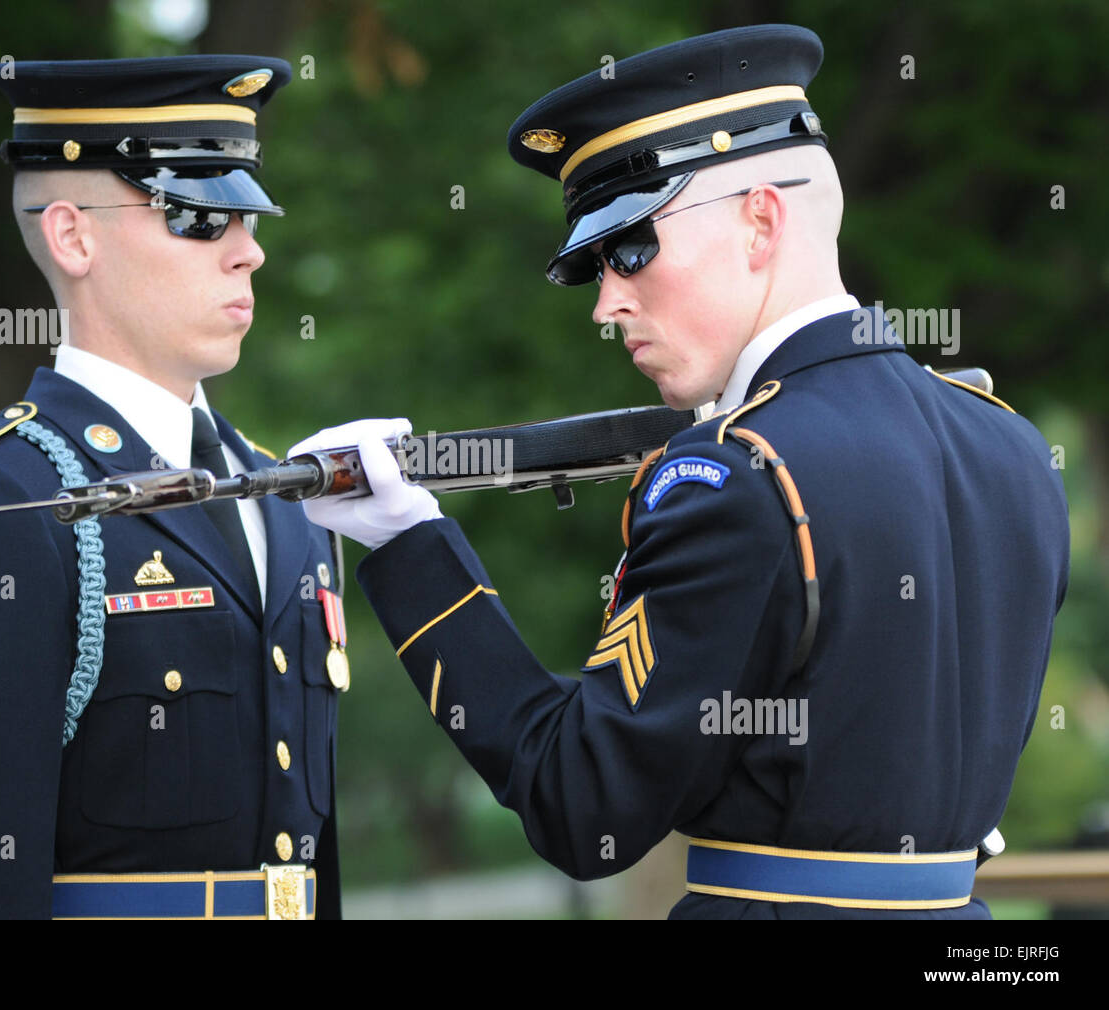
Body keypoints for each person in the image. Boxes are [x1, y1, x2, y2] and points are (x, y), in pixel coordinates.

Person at [289, 25, 1070, 919]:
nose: (608, 303)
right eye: (595, 266)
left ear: (761, 221)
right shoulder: (1010, 444)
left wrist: (410, 546)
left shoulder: (733, 477)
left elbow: (582, 807)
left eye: (630, 250)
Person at [0, 56, 347, 919]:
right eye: (202, 218)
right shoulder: (5, 499)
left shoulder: (286, 496)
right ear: (72, 237)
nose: (251, 251)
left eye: (249, 218)